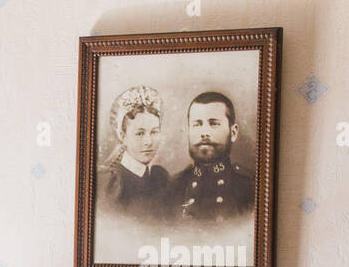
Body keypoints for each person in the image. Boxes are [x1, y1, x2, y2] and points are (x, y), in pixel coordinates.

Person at [170, 91, 255, 221]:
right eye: (197, 124)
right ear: (188, 131)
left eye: (214, 123)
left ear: (233, 132)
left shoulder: (251, 187)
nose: (204, 133)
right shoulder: (172, 187)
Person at [98, 86, 169, 220]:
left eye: (154, 132)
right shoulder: (112, 183)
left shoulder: (160, 177)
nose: (148, 141)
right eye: (139, 133)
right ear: (122, 135)